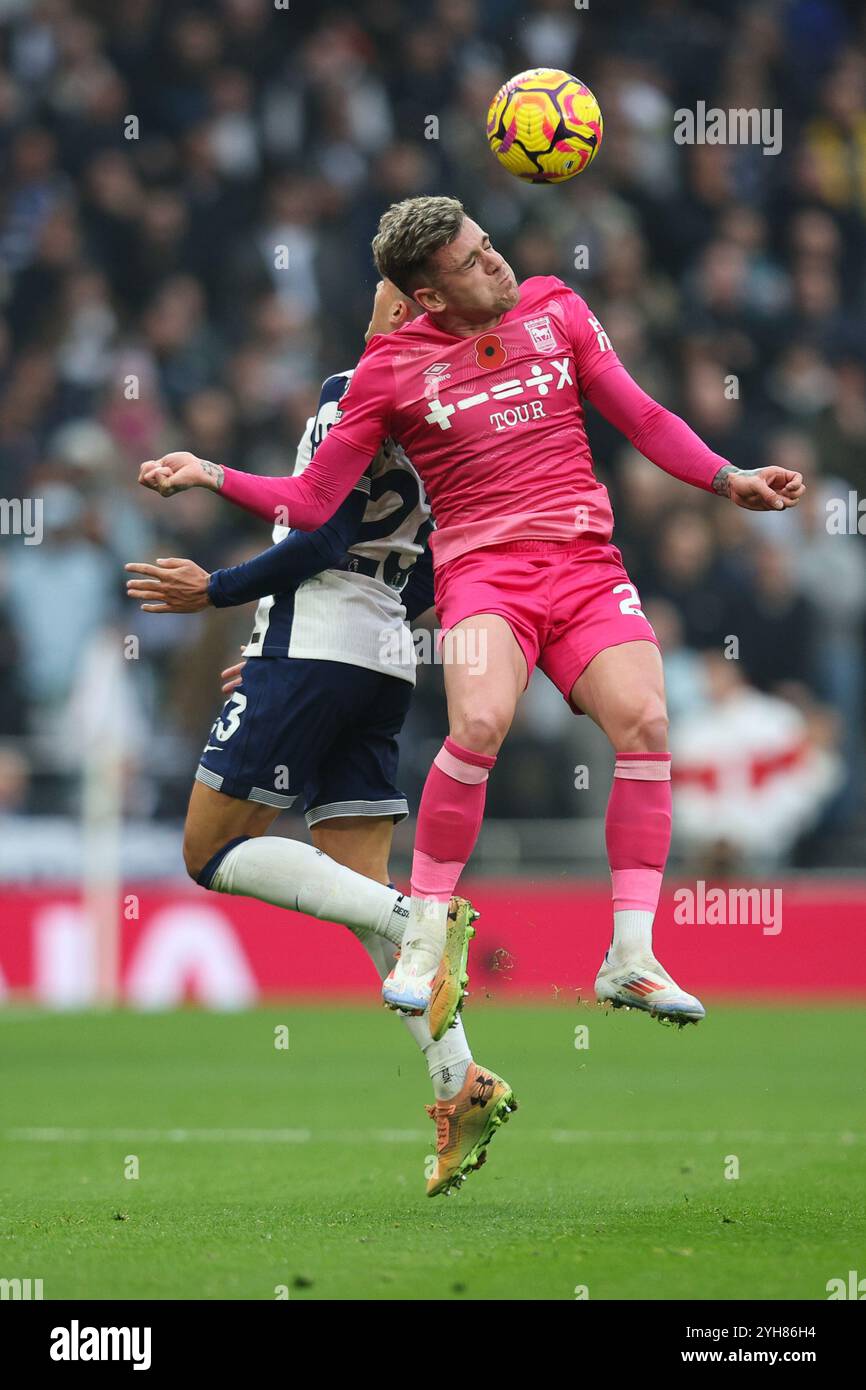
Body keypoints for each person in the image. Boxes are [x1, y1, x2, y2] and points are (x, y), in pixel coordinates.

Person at [138, 196, 806, 1027]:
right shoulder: (390, 372)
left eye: (489, 246)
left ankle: (630, 956)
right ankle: (424, 932)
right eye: (472, 262)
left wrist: (725, 476)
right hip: (485, 573)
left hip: (586, 566)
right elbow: (313, 503)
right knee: (481, 724)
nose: (496, 263)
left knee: (646, 720)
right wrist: (210, 471)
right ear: (429, 297)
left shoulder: (557, 307)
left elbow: (641, 415)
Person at [127, 277, 516, 1196]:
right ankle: (458, 1081)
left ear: (404, 312)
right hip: (381, 661)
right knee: (355, 889)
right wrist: (297, 651)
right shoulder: (452, 421)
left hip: (317, 647)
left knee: (209, 850)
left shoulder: (359, 388)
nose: (377, 306)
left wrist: (222, 594)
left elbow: (317, 531)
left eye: (388, 294)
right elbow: (432, 575)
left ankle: (423, 921)